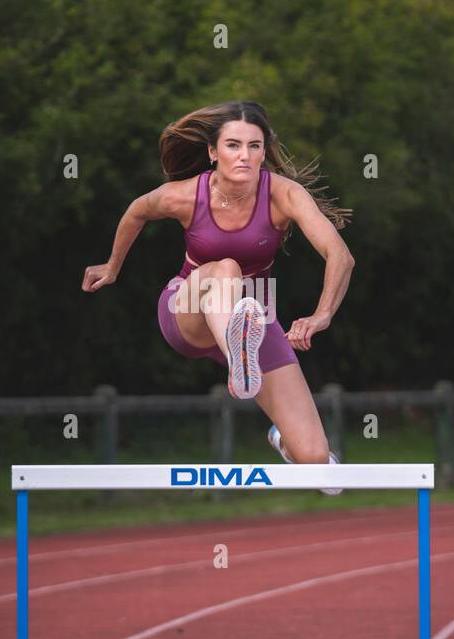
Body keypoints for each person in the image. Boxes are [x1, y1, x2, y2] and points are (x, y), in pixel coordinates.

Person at [82, 100, 354, 493]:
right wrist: (112, 265)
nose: (244, 156)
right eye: (233, 145)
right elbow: (137, 211)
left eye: (254, 146)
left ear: (264, 152)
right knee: (225, 268)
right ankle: (237, 353)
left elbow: (339, 255)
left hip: (255, 316)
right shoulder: (183, 196)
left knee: (317, 465)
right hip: (189, 307)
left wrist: (322, 314)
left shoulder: (283, 194)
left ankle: (277, 426)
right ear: (212, 152)